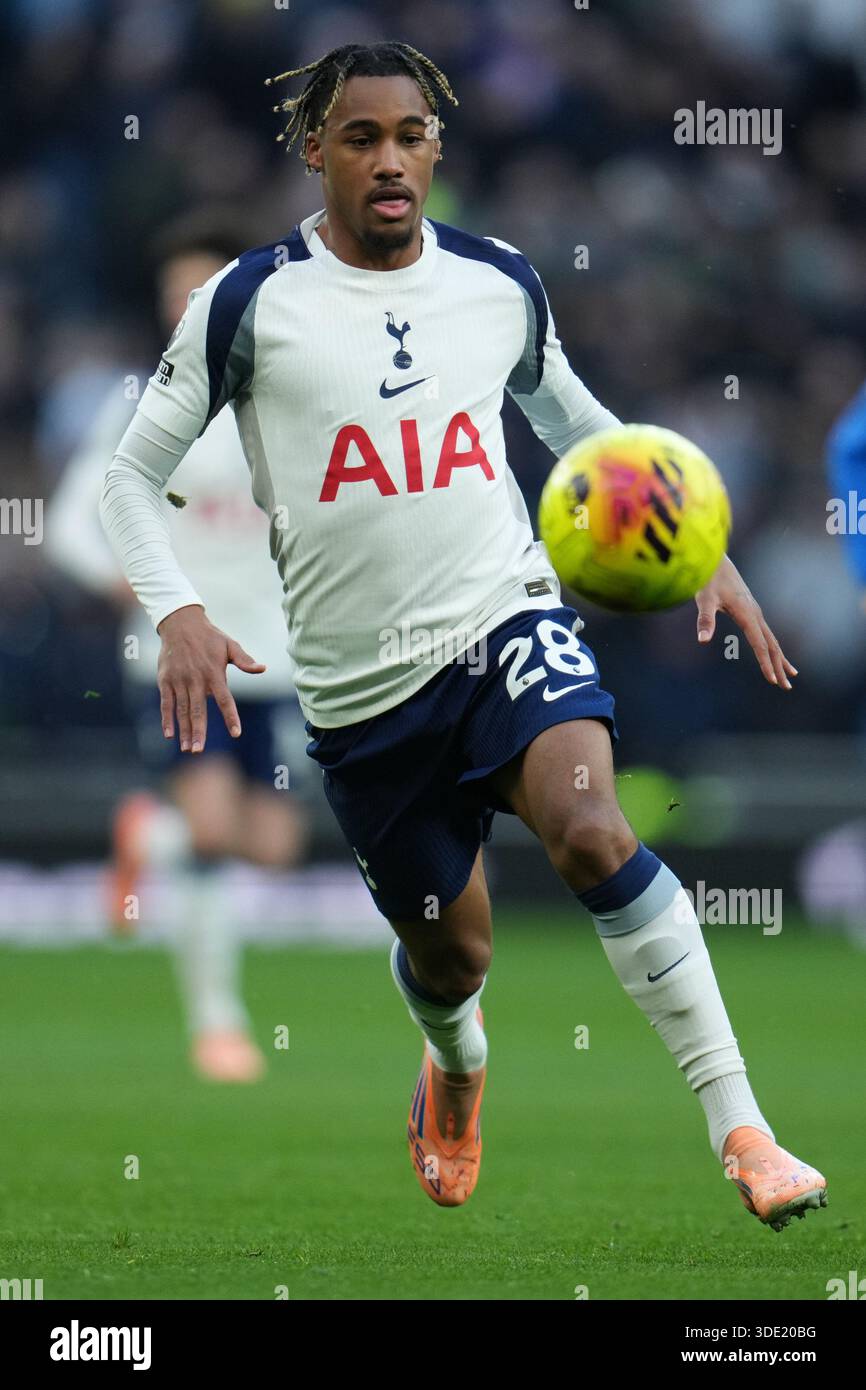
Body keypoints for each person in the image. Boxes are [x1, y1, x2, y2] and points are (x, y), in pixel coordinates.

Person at [100, 41, 825, 1226]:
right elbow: (130, 481)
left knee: (593, 830)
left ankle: (743, 1129)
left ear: (438, 145)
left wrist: (704, 546)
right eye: (361, 138)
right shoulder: (244, 302)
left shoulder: (496, 280)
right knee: (455, 961)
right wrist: (176, 608)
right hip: (359, 693)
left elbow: (579, 424)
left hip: (503, 620)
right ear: (313, 151)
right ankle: (455, 1061)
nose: (390, 161)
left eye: (411, 136)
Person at [48, 211, 308, 1082]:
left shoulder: (290, 392)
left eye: (199, 290)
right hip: (180, 658)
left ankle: (142, 838)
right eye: (174, 294)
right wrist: (135, 586)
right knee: (211, 835)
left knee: (269, 845)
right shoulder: (146, 403)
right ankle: (218, 1026)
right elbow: (73, 524)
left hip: (277, 659)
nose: (185, 306)